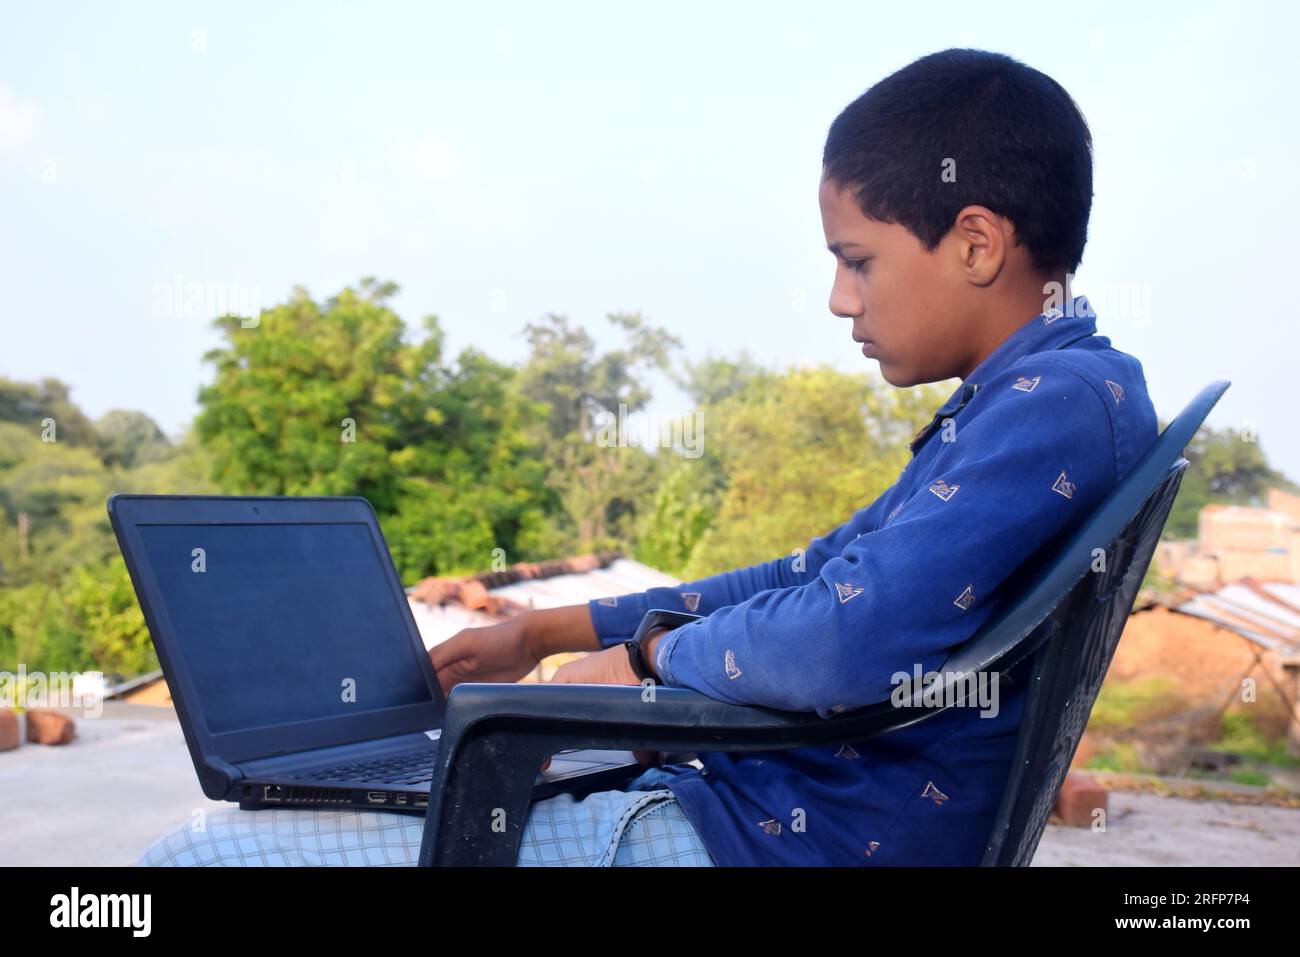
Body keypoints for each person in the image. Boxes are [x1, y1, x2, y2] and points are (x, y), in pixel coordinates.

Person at [139, 47, 1157, 867]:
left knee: (199, 854)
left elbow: (838, 643)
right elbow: (808, 578)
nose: (840, 300)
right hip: (764, 807)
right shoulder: (1042, 398)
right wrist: (550, 628)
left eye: (856, 261)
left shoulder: (1050, 408)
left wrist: (640, 662)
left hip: (768, 839)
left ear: (976, 243)